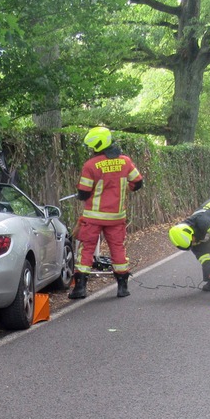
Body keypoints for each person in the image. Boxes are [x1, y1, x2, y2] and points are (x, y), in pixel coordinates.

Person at [70, 126, 144, 300]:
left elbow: (84, 192)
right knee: (117, 248)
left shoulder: (90, 165)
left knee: (86, 249)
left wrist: (81, 193)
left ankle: (80, 288)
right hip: (116, 217)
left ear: (97, 145)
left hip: (93, 217)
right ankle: (122, 287)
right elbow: (138, 183)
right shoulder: (125, 161)